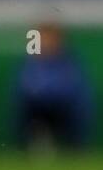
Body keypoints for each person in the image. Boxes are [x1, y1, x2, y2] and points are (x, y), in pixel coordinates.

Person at [12, 24, 93, 152]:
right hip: (37, 108)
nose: (47, 42)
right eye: (43, 38)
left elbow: (73, 89)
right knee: (29, 108)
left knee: (77, 109)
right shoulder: (32, 62)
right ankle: (37, 143)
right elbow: (25, 87)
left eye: (50, 38)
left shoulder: (68, 61)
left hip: (62, 108)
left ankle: (73, 148)